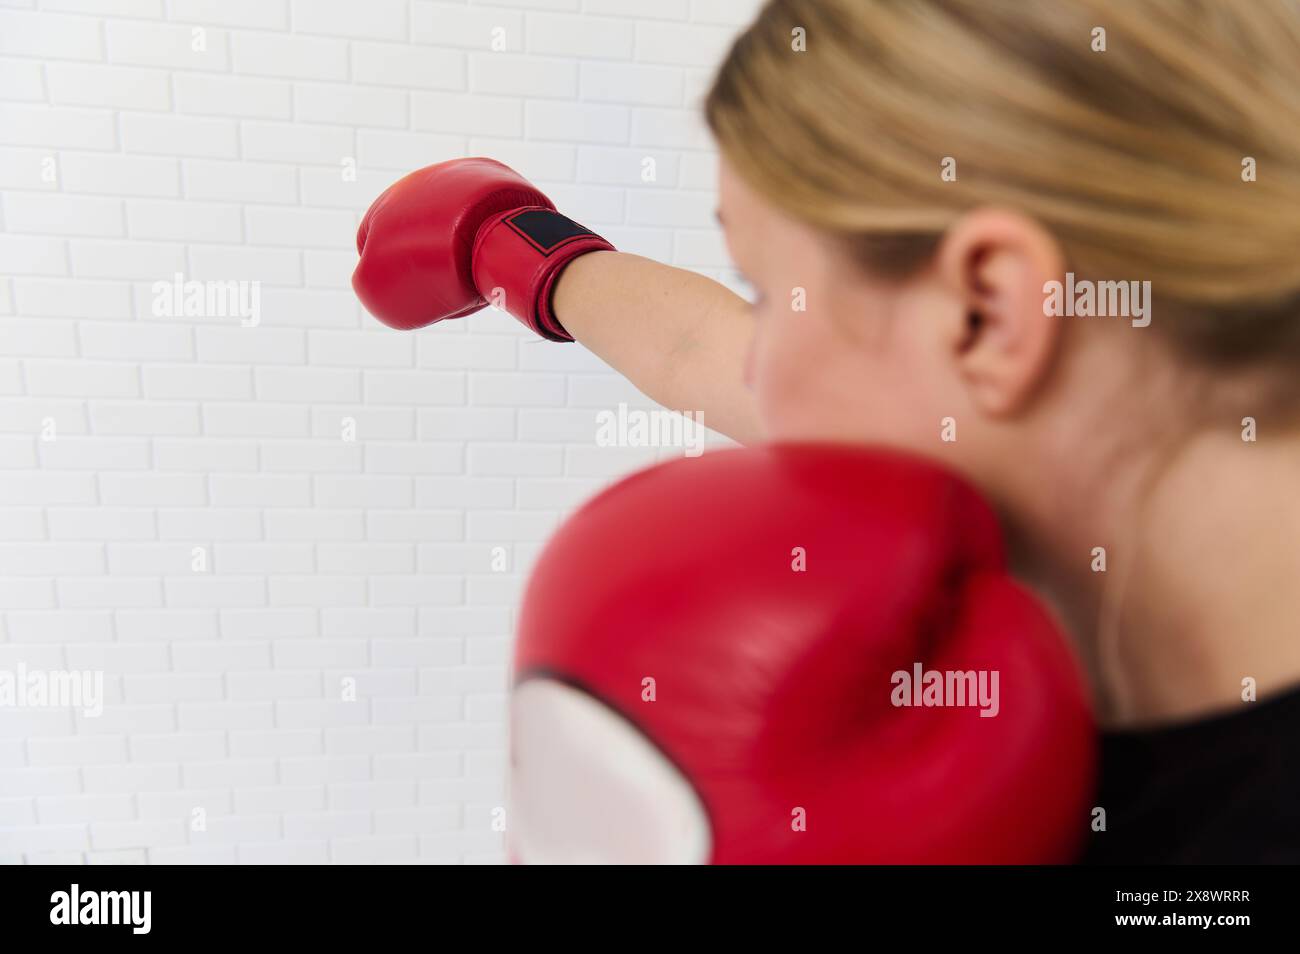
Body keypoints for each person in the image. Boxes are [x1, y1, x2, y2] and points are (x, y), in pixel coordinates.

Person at [355, 0, 1300, 863]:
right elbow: (699, 349)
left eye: (771, 293)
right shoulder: (1033, 429)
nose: (759, 362)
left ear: (987, 312)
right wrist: (515, 249)